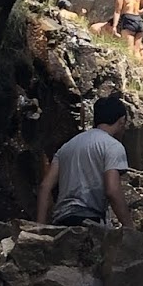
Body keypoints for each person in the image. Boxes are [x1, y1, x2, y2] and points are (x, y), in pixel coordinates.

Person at [37, 96, 134, 228]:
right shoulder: (112, 146)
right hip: (89, 220)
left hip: (61, 222)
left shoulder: (67, 147)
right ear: (122, 121)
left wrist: (40, 227)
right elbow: (112, 190)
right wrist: (130, 228)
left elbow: (44, 187)